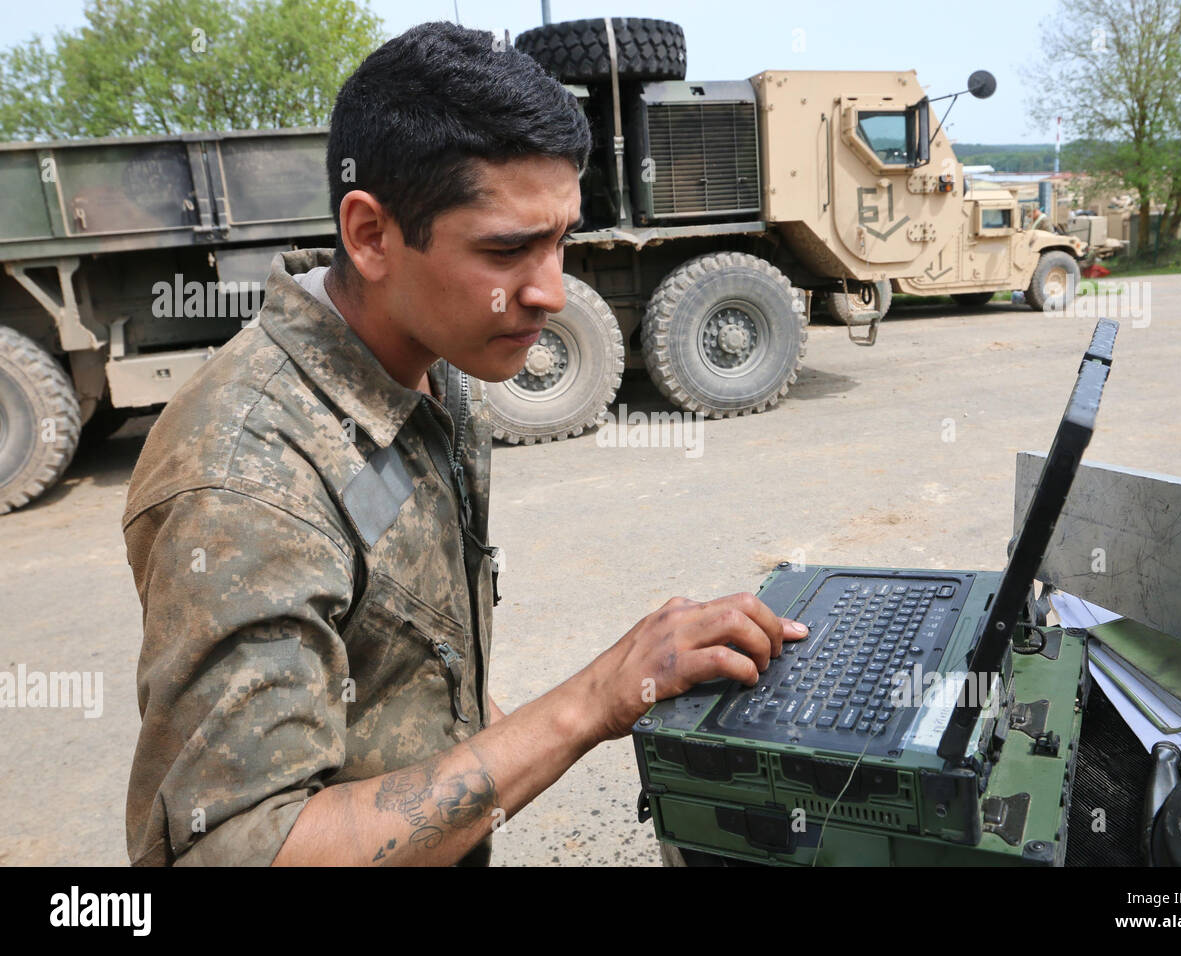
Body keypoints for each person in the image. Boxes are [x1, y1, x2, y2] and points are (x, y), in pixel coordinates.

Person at [121, 20, 806, 867]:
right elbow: (233, 848)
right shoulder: (245, 477)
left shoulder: (432, 370)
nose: (552, 292)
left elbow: (408, 667)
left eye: (561, 239)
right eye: (507, 248)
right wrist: (593, 699)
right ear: (371, 235)